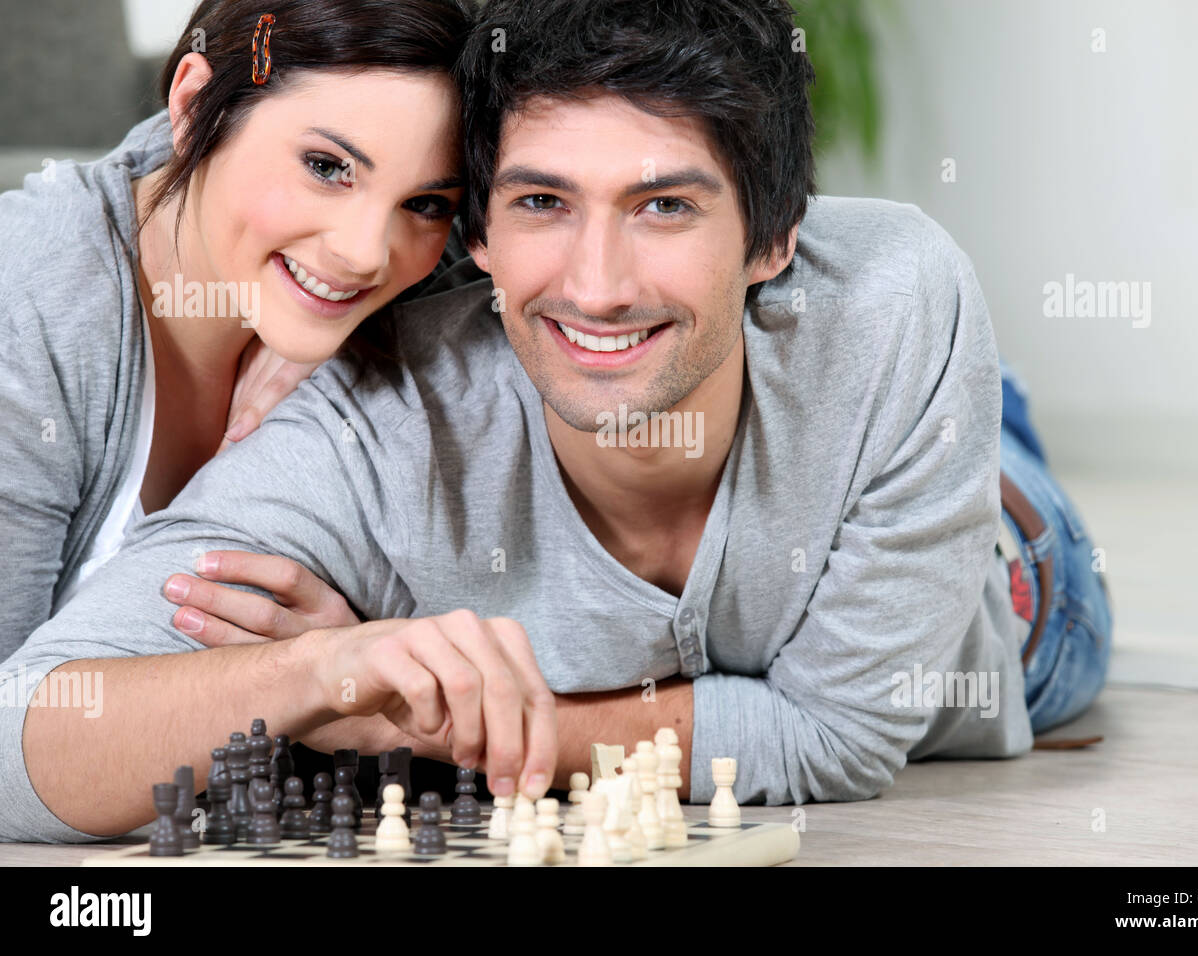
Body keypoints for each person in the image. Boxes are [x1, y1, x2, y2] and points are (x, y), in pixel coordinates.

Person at [0, 0, 1112, 843]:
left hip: (1008, 585)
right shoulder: (358, 422)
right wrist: (325, 671)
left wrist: (423, 728)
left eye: (663, 205)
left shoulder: (895, 295)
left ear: (775, 237)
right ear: (479, 237)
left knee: (921, 402)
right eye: (538, 202)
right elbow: (20, 743)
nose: (595, 279)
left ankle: (978, 408)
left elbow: (841, 734)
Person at [0, 0, 473, 659]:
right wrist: (288, 678)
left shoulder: (413, 293)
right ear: (194, 107)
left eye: (424, 203)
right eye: (326, 166)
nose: (368, 253)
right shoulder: (24, 305)